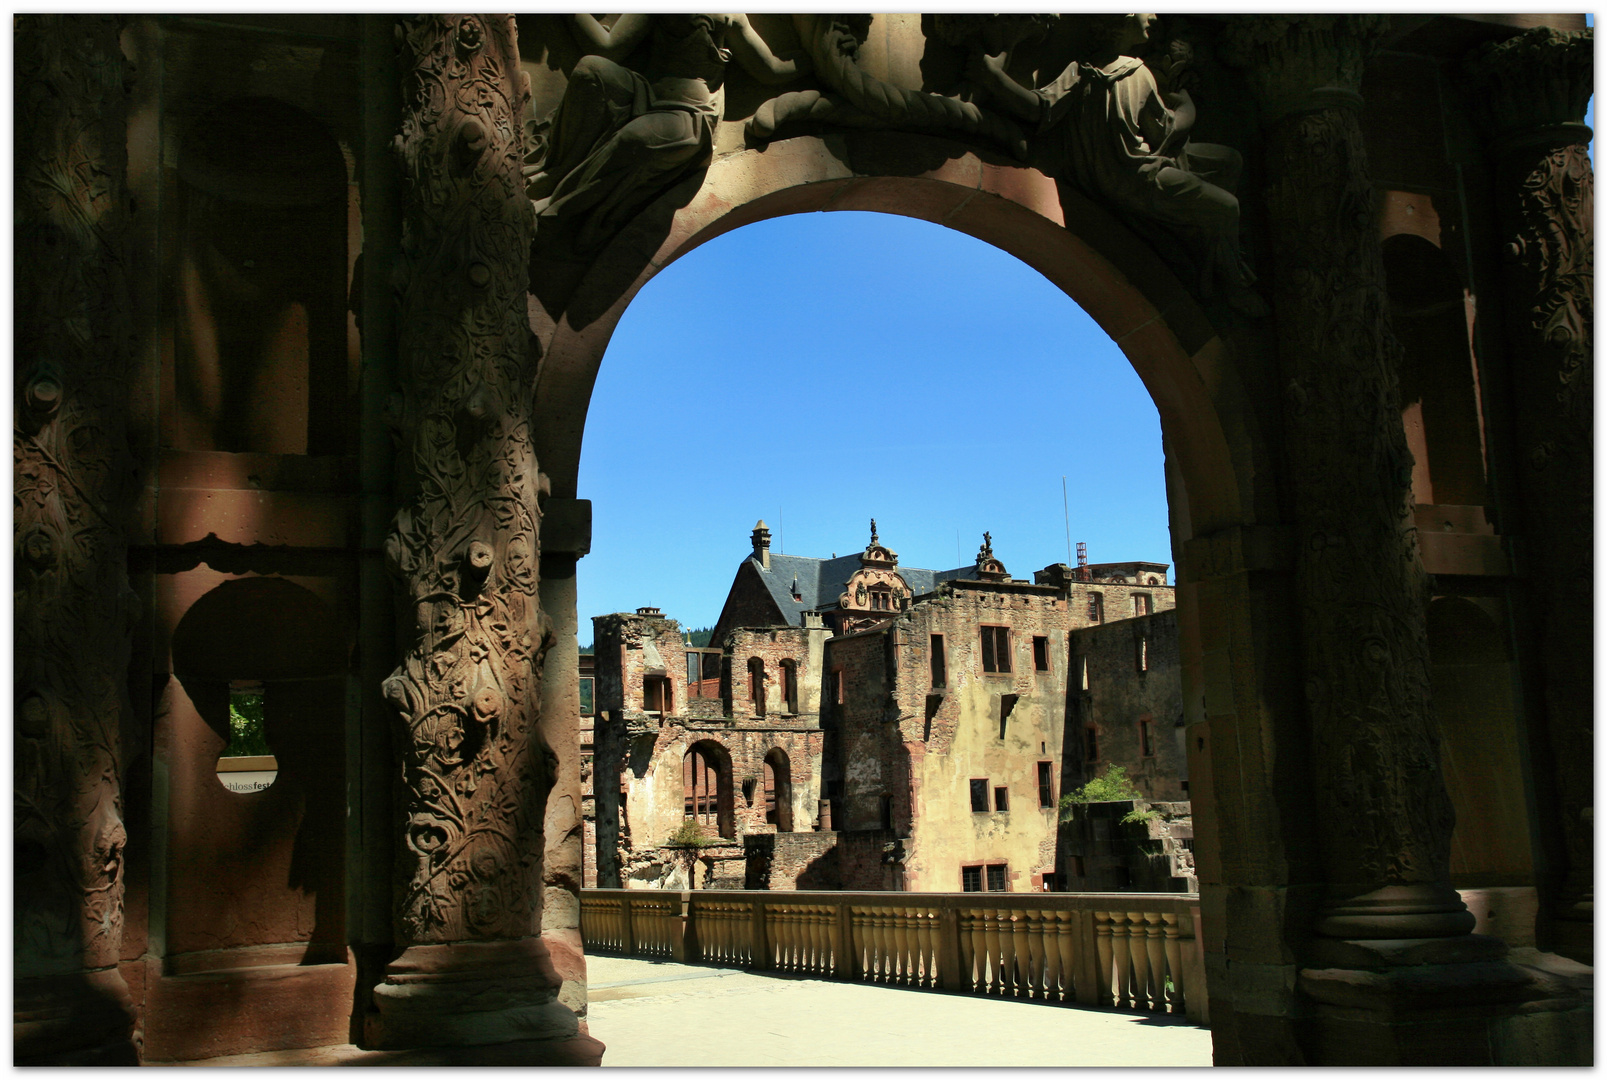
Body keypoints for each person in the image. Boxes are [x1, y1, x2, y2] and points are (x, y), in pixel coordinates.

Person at [969, 14, 1263, 314]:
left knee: (1230, 161)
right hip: (1140, 178)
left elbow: (1039, 107)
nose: (1153, 16)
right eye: (1143, 10)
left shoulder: (1083, 70)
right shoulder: (1137, 73)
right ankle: (1233, 283)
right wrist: (1187, 104)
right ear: (1121, 19)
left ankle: (1212, 248)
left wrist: (995, 79)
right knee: (1227, 207)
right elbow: (1168, 130)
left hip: (1126, 171)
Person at [526, 14, 808, 262]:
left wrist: (811, 59)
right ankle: (557, 172)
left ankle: (557, 213)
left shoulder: (729, 15)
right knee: (591, 70)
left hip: (689, 115)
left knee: (634, 141)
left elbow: (769, 69)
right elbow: (607, 47)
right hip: (645, 93)